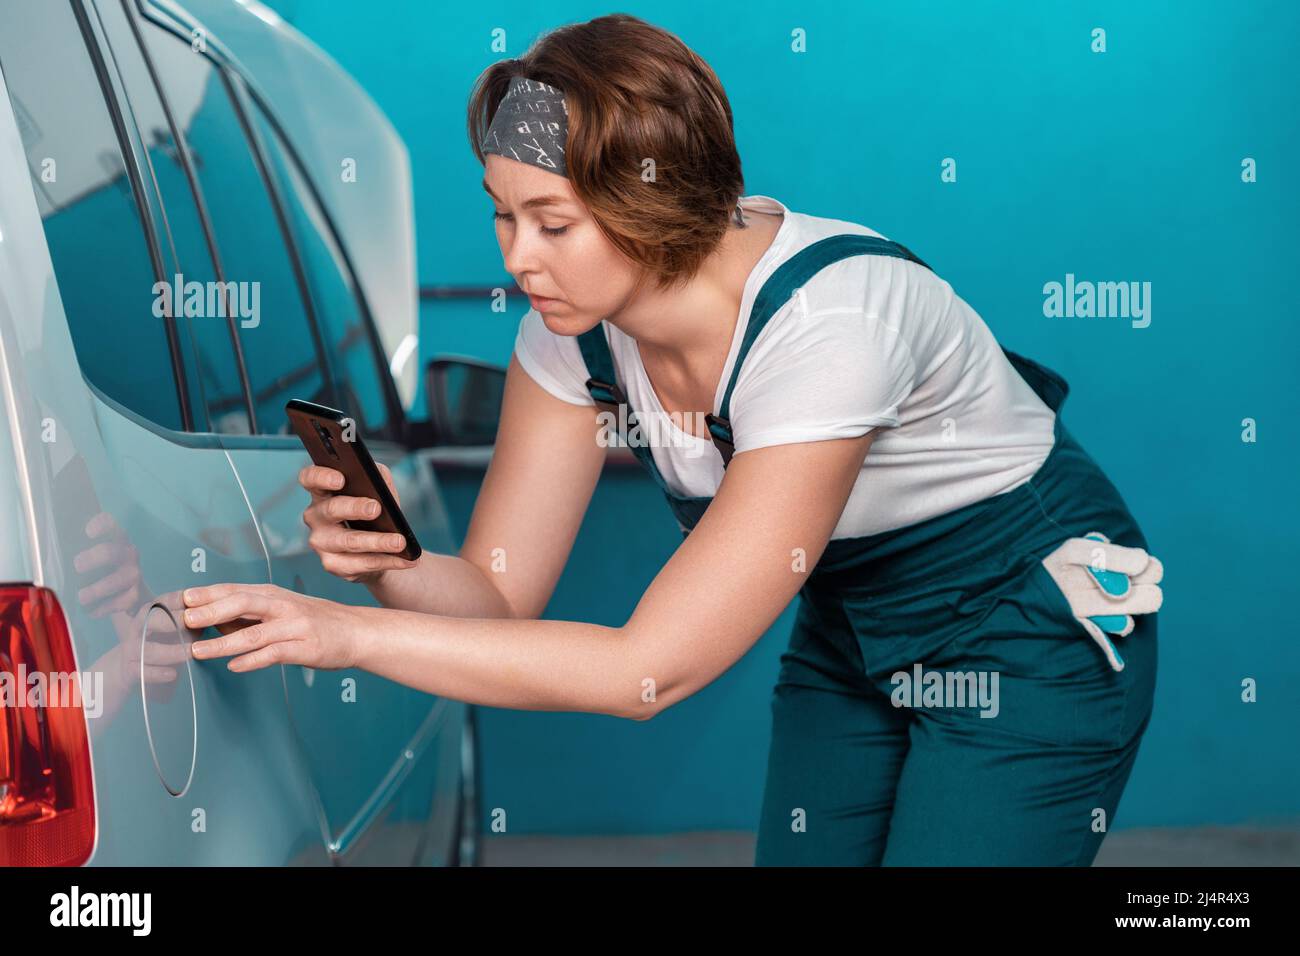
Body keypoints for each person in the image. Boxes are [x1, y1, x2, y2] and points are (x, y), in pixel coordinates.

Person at [183, 13, 1164, 866]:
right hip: (853, 622)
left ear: (644, 205)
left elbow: (645, 670)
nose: (517, 258)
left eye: (552, 222)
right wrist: (388, 565)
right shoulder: (572, 332)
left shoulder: (830, 327)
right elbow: (494, 593)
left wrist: (349, 637)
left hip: (1026, 621)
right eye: (502, 215)